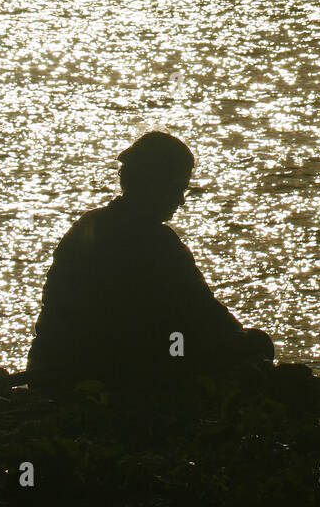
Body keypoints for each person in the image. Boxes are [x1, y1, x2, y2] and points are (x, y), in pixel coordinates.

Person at [27, 131, 274, 392]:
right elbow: (202, 312)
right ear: (154, 185)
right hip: (113, 369)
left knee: (177, 338)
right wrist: (242, 341)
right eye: (177, 189)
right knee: (249, 344)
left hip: (52, 365)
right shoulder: (157, 242)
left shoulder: (87, 226)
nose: (180, 201)